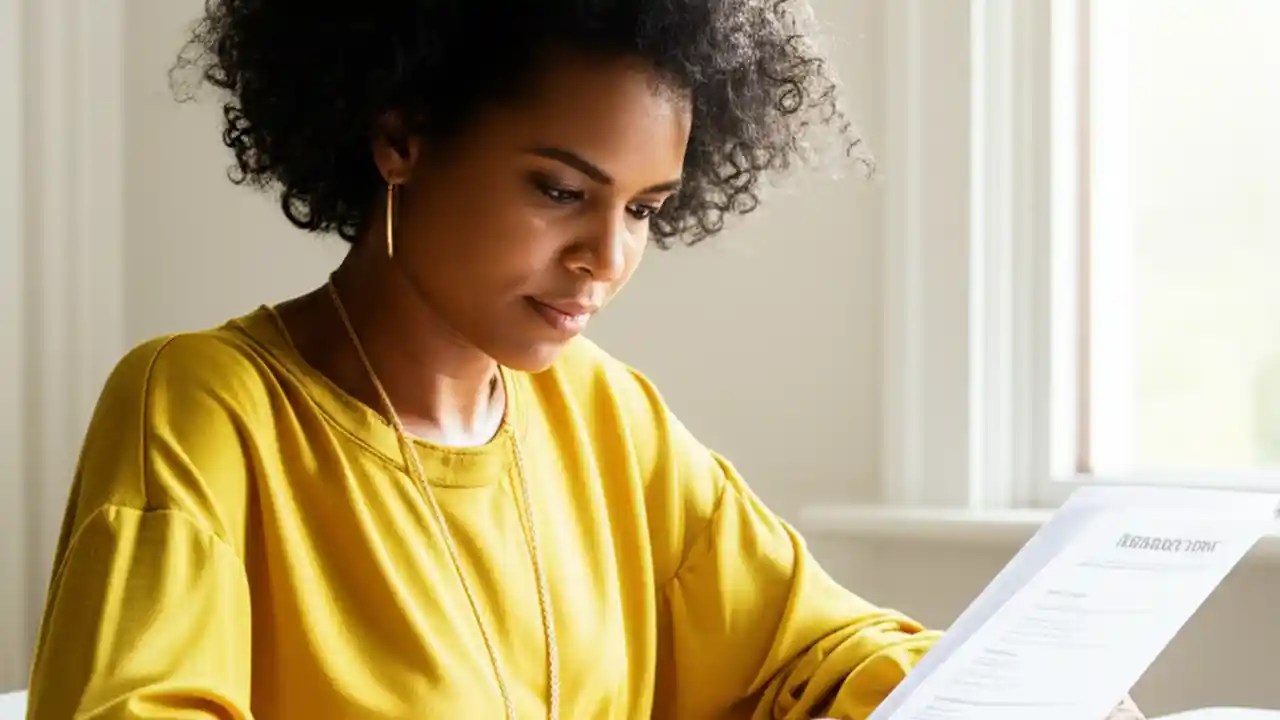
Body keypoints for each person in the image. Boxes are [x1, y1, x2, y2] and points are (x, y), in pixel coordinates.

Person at [24, 2, 1145, 719]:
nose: (603, 260)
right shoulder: (205, 407)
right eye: (558, 190)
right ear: (399, 137)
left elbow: (811, 651)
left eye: (645, 210)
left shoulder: (608, 418)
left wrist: (1031, 691)